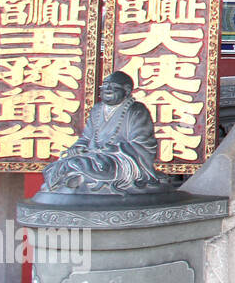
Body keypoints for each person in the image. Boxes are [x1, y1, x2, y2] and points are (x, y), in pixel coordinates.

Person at [42, 72, 172, 197]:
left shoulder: (136, 110)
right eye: (104, 86)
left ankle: (77, 181)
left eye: (113, 87)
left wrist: (117, 149)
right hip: (93, 153)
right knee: (58, 165)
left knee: (83, 164)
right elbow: (87, 137)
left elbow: (143, 143)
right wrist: (77, 147)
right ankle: (70, 183)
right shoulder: (97, 109)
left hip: (121, 158)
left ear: (126, 90)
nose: (107, 89)